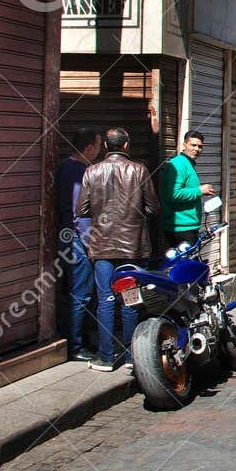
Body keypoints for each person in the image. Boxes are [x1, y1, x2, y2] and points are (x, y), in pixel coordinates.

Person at [77, 128, 159, 372]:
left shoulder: (91, 171)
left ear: (106, 146)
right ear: (126, 146)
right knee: (130, 300)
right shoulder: (139, 170)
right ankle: (132, 355)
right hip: (132, 248)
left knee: (105, 300)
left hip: (102, 246)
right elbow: (153, 208)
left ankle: (106, 357)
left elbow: (81, 210)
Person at [55, 127, 103, 363]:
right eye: (99, 145)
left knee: (79, 291)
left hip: (71, 237)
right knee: (80, 293)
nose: (100, 150)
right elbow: (79, 213)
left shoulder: (68, 167)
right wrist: (88, 242)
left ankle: (81, 338)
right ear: (90, 147)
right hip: (77, 239)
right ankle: (75, 345)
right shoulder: (77, 171)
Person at [156, 131, 215, 252]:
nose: (197, 149)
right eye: (193, 145)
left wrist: (200, 191)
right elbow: (174, 194)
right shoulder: (178, 165)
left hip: (188, 227)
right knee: (184, 263)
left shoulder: (188, 164)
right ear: (184, 145)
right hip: (180, 230)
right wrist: (199, 191)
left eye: (200, 146)